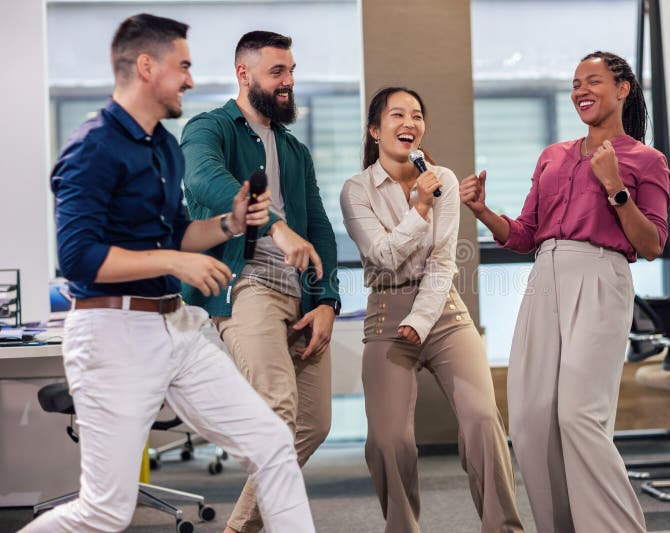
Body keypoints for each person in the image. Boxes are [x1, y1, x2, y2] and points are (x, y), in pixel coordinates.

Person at [20, 14, 314, 533]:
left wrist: (231, 221)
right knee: (105, 511)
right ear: (146, 66)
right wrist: (175, 263)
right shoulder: (92, 147)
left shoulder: (160, 147)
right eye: (183, 66)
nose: (191, 80)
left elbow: (180, 234)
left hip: (175, 327)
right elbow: (79, 258)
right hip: (113, 334)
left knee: (272, 443)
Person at [461, 51, 670, 533]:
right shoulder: (552, 155)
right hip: (544, 280)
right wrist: (483, 211)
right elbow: (524, 234)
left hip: (600, 277)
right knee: (531, 424)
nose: (581, 90)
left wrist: (616, 187)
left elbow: (653, 243)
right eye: (575, 83)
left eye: (592, 81)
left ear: (623, 89)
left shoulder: (646, 160)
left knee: (580, 416)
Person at [340, 87, 524, 533]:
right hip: (387, 312)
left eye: (417, 115)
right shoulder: (356, 191)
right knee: (388, 441)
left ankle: (504, 528)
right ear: (374, 129)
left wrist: (421, 322)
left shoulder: (441, 177)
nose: (409, 123)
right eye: (397, 115)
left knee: (483, 420)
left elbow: (443, 263)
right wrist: (419, 205)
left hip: (443, 309)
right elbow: (382, 257)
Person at [180, 30, 339, 533]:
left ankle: (241, 527)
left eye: (291, 71)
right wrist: (274, 224)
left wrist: (328, 302)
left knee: (312, 425)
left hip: (302, 296)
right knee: (277, 410)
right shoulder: (209, 128)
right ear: (243, 74)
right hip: (247, 283)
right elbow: (202, 178)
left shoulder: (293, 150)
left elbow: (319, 229)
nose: (288, 81)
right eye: (278, 72)